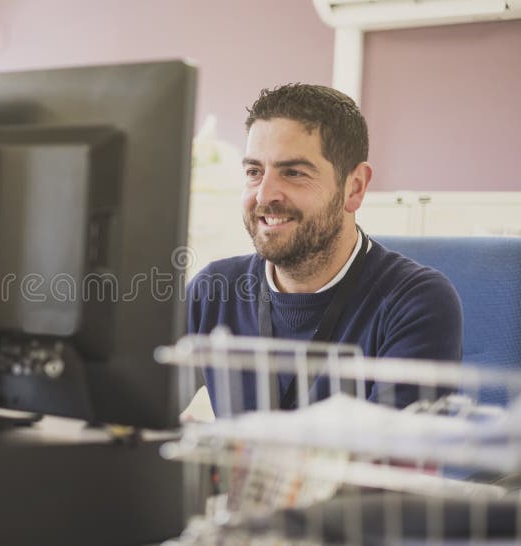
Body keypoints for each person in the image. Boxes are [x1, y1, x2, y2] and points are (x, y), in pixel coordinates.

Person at [187, 84, 463, 414]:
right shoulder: (214, 290)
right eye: (254, 172)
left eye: (293, 173)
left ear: (354, 187)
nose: (264, 195)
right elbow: (136, 407)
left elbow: (391, 456)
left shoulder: (415, 302)